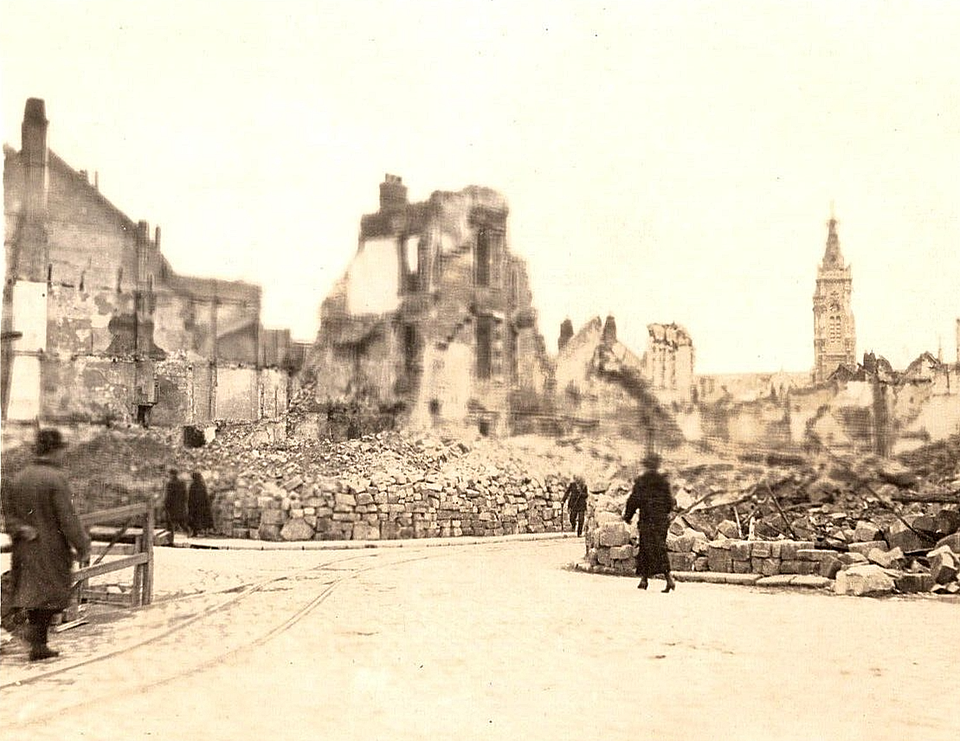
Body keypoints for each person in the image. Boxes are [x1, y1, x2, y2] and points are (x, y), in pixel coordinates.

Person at [4, 428, 90, 660]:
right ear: (53, 451)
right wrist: (82, 545)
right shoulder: (56, 479)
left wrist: (20, 529)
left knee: (33, 594)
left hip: (24, 548)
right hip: (49, 547)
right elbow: (68, 518)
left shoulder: (18, 477)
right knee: (51, 593)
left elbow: (8, 516)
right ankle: (36, 643)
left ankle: (38, 644)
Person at [623, 452, 676, 593]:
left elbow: (634, 499)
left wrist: (628, 515)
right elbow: (670, 502)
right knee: (659, 547)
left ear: (646, 465)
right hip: (660, 521)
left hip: (647, 520)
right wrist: (664, 513)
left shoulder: (642, 481)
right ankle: (646, 580)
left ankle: (666, 579)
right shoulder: (663, 482)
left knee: (646, 548)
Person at [187, 471, 214, 537]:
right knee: (203, 517)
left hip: (195, 505)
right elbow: (205, 496)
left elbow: (190, 496)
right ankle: (205, 531)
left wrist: (189, 504)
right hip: (202, 504)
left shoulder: (193, 485)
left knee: (195, 518)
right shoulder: (202, 485)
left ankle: (195, 531)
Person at [164, 468, 188, 536]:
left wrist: (166, 504)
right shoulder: (182, 483)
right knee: (181, 521)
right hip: (180, 506)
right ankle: (188, 532)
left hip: (172, 506)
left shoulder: (170, 484)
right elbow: (185, 495)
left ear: (172, 474)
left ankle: (170, 537)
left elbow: (168, 495)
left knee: (170, 522)